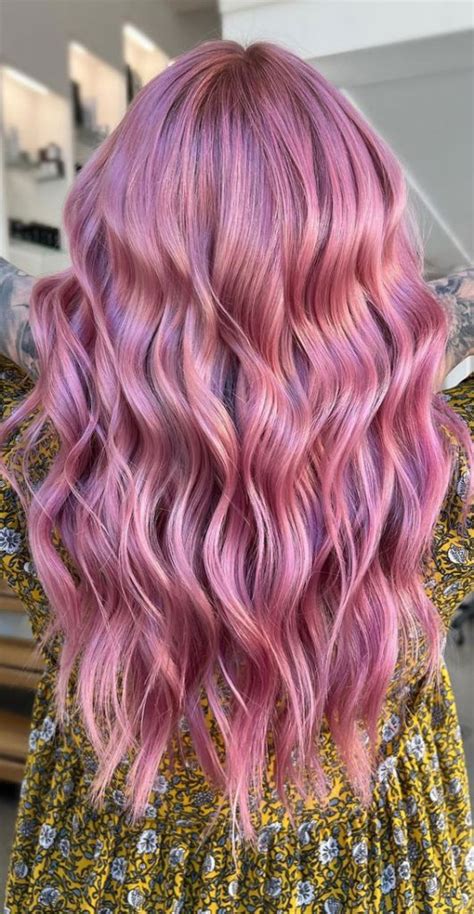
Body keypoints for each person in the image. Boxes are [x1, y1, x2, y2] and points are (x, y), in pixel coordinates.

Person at [0, 38, 473, 914]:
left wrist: (62, 336)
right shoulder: (441, 453)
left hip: (110, 874)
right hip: (379, 872)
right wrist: (414, 335)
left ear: (112, 239)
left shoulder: (32, 442)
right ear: (362, 236)